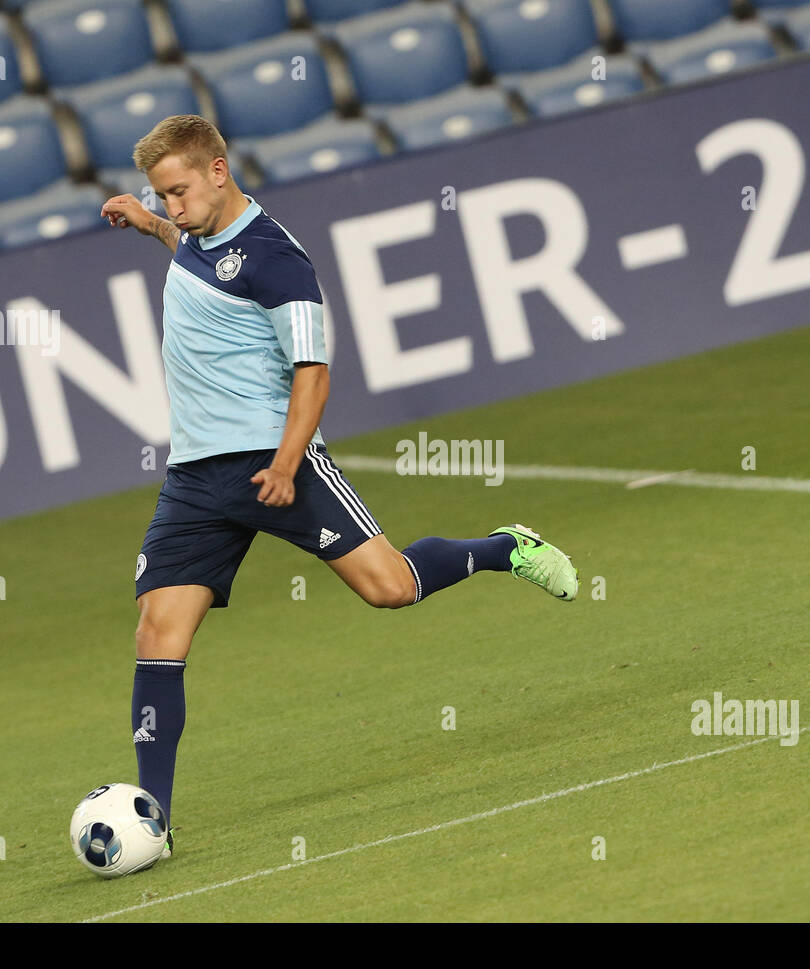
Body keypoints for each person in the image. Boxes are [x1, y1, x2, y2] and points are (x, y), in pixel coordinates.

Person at [100, 115, 579, 858]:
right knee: (157, 635)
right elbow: (196, 253)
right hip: (195, 478)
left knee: (390, 588)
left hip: (274, 463)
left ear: (219, 171)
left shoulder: (279, 261)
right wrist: (150, 226)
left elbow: (312, 374)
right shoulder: (193, 233)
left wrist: (289, 463)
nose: (172, 207)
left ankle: (503, 548)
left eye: (179, 192)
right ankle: (153, 820)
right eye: (161, 196)